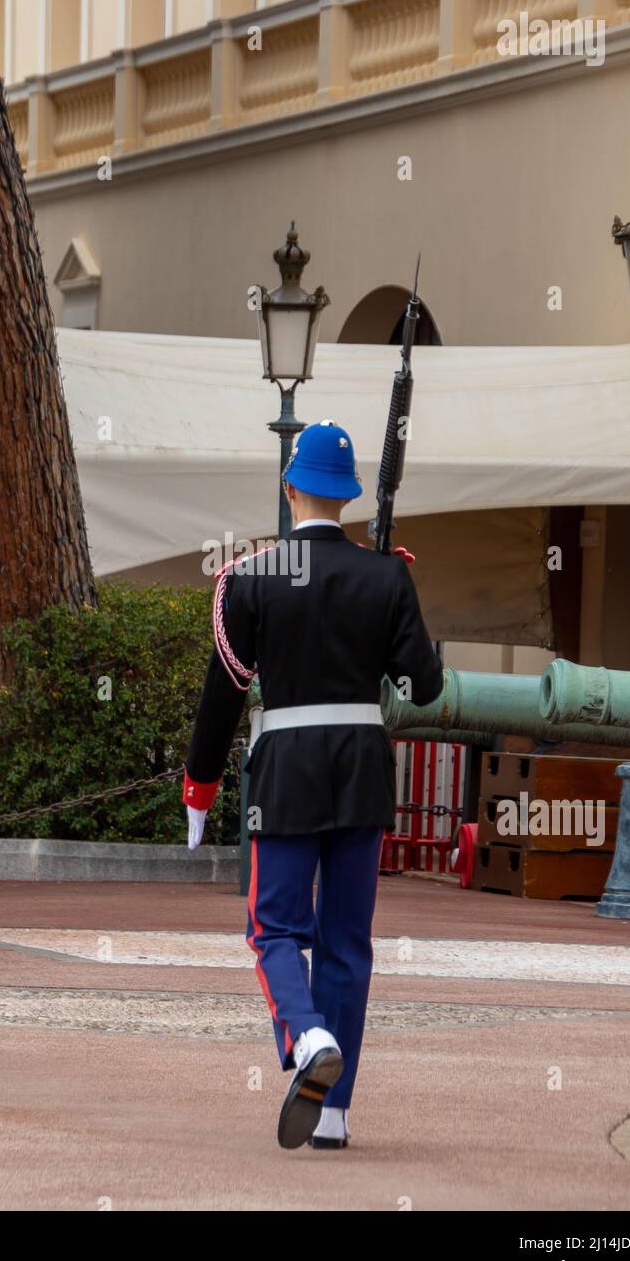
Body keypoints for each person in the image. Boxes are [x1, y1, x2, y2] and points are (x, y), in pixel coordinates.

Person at [182, 420, 443, 1149]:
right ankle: (334, 1110)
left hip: (287, 772)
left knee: (273, 930)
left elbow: (223, 696)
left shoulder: (251, 578)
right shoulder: (387, 574)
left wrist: (199, 788)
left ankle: (304, 1038)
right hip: (361, 770)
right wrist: (396, 600)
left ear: (289, 485)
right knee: (347, 942)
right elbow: (424, 686)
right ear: (351, 495)